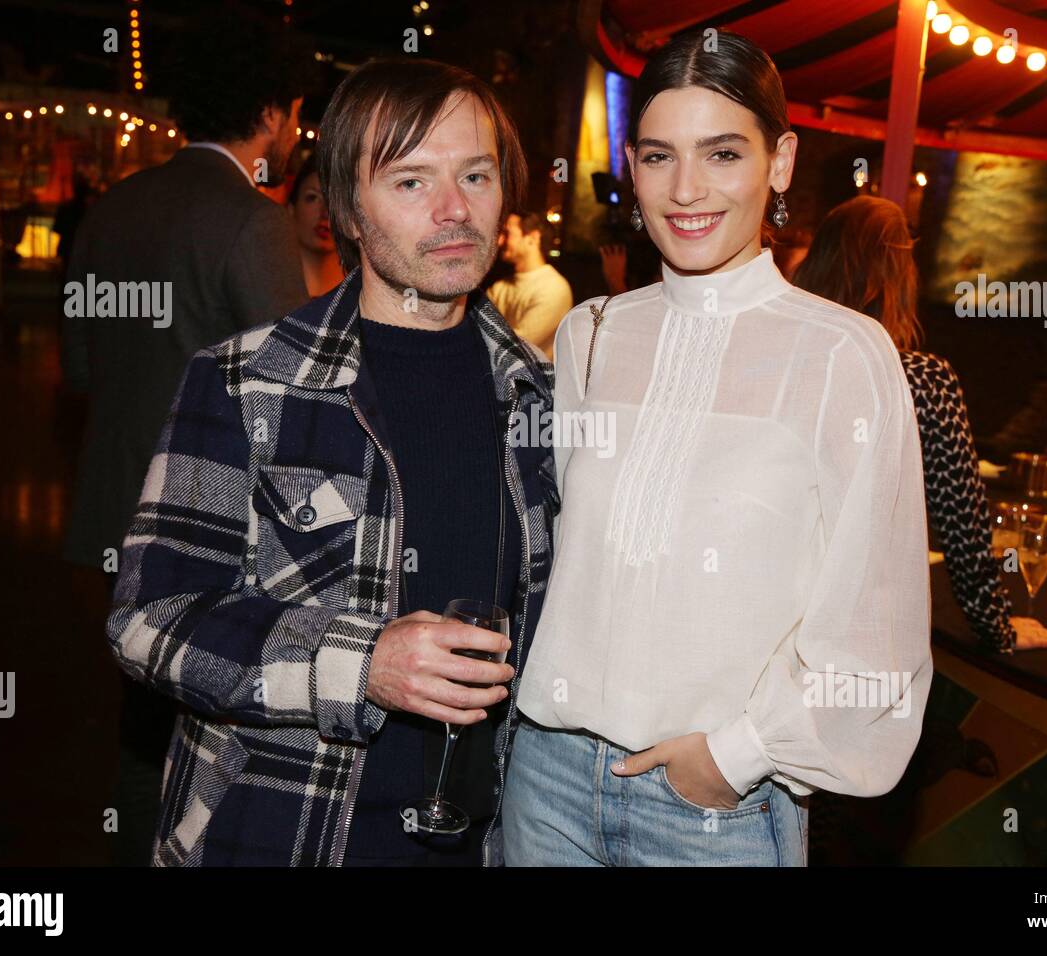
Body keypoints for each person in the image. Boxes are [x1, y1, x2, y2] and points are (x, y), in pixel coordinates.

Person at [105, 56, 557, 867]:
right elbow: (149, 622)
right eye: (411, 182)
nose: (455, 210)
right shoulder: (244, 381)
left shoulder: (544, 399)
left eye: (476, 175)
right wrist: (359, 664)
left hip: (484, 845)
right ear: (348, 210)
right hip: (282, 835)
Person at [502, 30, 932, 867]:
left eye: (723, 153)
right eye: (659, 157)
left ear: (780, 163)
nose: (687, 189)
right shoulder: (589, 334)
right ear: (632, 165)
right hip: (545, 781)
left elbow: (878, 626)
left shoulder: (844, 355)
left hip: (711, 812)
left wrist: (733, 758)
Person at [60, 9, 311, 865]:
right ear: (273, 113)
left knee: (139, 730)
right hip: (216, 529)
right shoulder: (252, 221)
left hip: (111, 511)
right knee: (214, 741)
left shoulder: (112, 208)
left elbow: (81, 365)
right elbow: (295, 394)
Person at [793, 196, 1047, 654]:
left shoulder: (786, 362)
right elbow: (963, 523)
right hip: (857, 627)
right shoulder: (919, 379)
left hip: (777, 606)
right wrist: (997, 626)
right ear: (890, 280)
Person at [487, 211, 573, 359]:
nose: (500, 240)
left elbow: (515, 347)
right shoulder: (500, 286)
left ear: (533, 238)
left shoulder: (554, 288)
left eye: (508, 233)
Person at [287, 151, 348, 297]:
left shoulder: (362, 292)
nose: (325, 212)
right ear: (291, 209)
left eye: (336, 202)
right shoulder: (267, 281)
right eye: (313, 198)